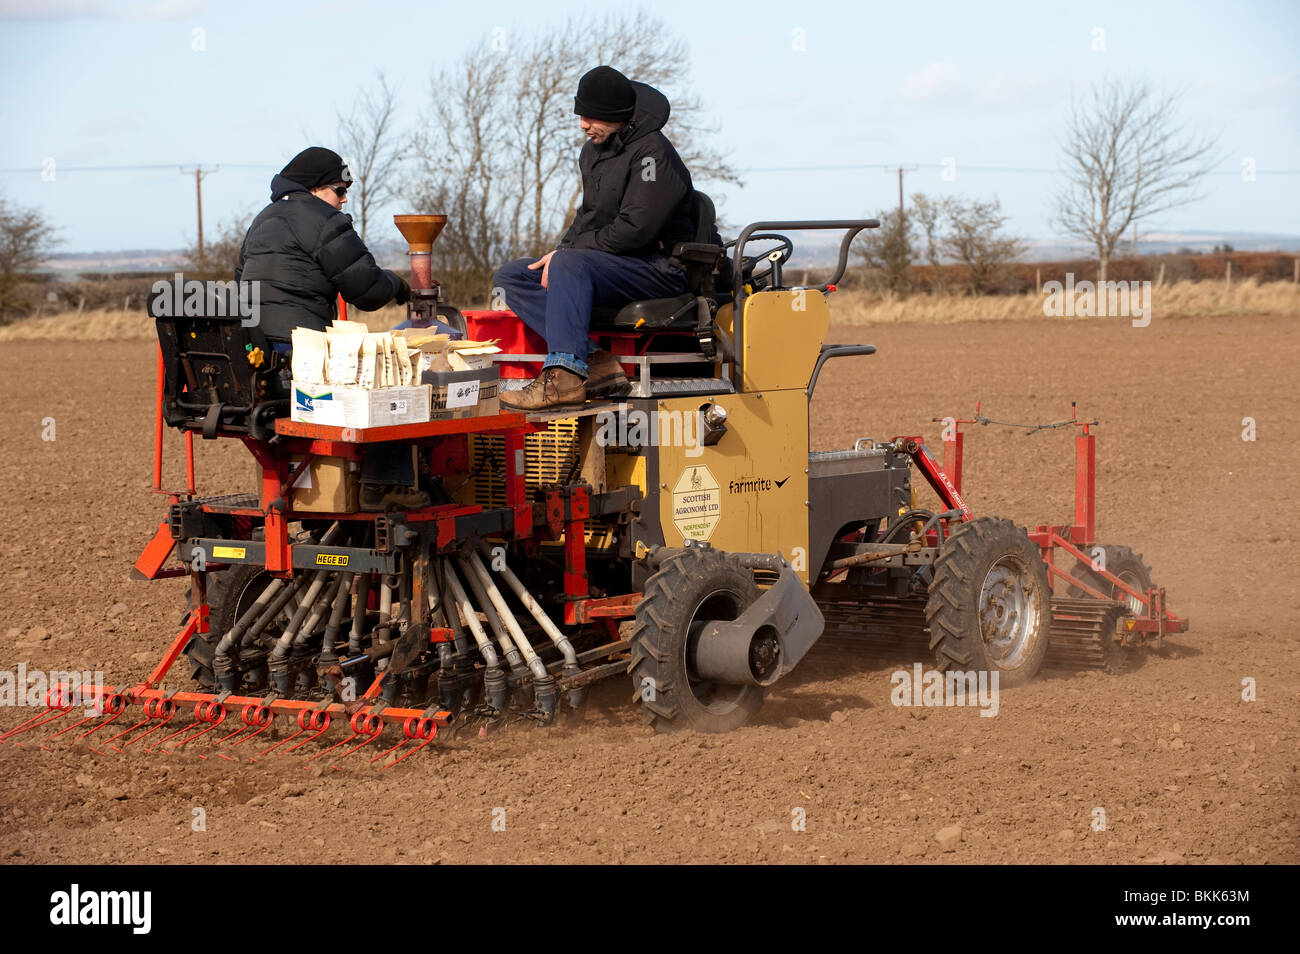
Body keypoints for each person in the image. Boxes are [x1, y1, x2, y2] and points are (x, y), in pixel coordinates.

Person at [493, 66, 696, 412]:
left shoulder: (652, 155)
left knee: (570, 262)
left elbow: (636, 229)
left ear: (615, 115)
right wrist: (559, 252)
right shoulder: (594, 153)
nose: (583, 124)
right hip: (615, 264)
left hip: (660, 268)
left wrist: (568, 258)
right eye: (581, 115)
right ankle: (595, 362)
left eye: (591, 116)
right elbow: (588, 219)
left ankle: (565, 375)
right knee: (512, 276)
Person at [237, 147, 423, 511]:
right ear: (317, 189)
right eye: (339, 190)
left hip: (258, 362)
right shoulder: (323, 220)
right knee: (396, 382)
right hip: (300, 361)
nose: (344, 198)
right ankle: (384, 485)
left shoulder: (262, 221)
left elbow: (240, 283)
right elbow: (366, 290)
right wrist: (399, 286)